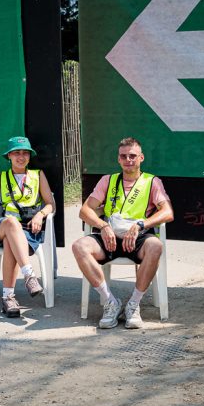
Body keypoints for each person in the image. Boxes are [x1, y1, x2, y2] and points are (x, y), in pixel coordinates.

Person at [71, 137, 173, 329]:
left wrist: (140, 225)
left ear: (141, 158)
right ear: (118, 159)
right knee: (79, 246)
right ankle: (111, 302)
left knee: (156, 246)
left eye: (133, 156)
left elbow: (167, 213)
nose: (128, 160)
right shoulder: (107, 180)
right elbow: (85, 211)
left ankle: (133, 304)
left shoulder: (152, 181)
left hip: (138, 238)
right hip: (109, 238)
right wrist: (103, 226)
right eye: (124, 156)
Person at [0, 136, 55, 318]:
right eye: (16, 153)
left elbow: (50, 203)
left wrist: (40, 214)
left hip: (27, 228)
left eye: (25, 153)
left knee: (10, 243)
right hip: (2, 226)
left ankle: (8, 298)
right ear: (9, 156)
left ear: (30, 156)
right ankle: (29, 275)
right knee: (11, 222)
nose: (21, 157)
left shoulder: (38, 175)